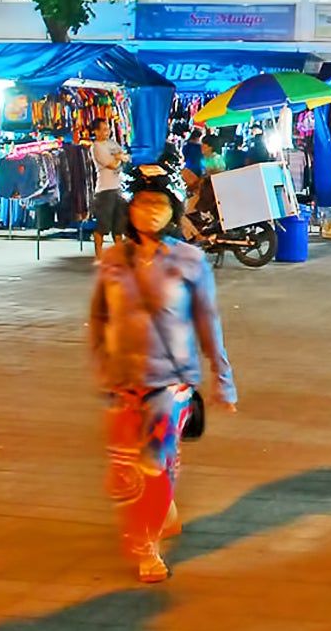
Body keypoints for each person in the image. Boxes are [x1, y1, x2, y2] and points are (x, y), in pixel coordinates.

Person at [89, 167, 238, 583]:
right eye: (142, 203)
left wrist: (222, 378)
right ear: (130, 209)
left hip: (170, 384)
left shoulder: (189, 259)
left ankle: (146, 546)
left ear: (171, 209)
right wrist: (102, 366)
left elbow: (208, 320)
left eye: (159, 204)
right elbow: (99, 317)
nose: (150, 212)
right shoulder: (114, 260)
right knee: (123, 472)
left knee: (153, 464)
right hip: (123, 380)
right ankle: (164, 512)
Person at [90, 118, 128, 258]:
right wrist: (118, 158)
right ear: (96, 131)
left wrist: (119, 157)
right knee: (102, 225)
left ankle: (119, 256)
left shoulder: (112, 143)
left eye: (108, 129)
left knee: (118, 227)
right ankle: (99, 256)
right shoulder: (96, 147)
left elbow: (125, 157)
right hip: (105, 190)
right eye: (104, 129)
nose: (108, 132)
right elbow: (112, 164)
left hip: (118, 188)